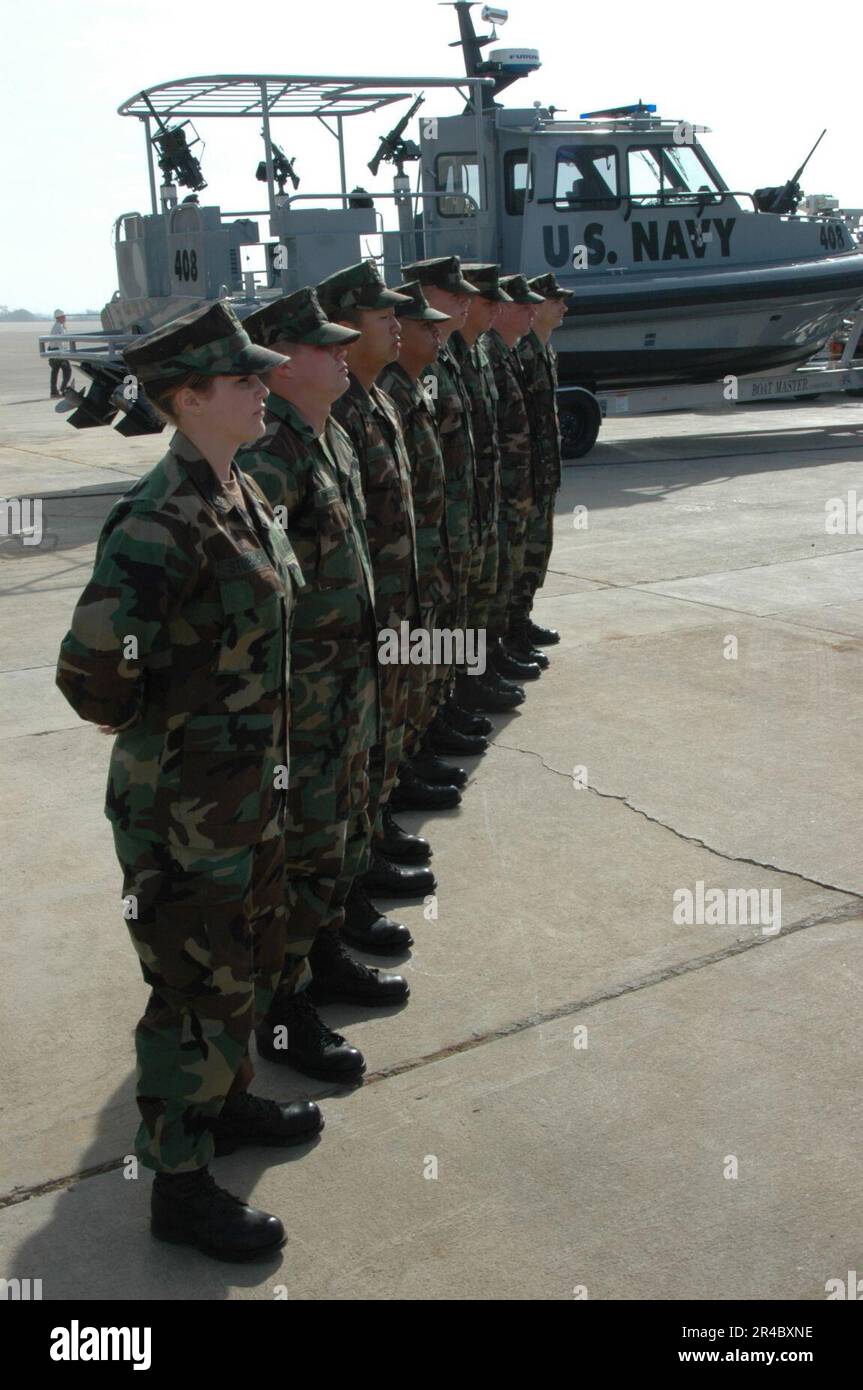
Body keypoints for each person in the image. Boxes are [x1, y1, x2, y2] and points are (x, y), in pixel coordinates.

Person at [55, 301, 320, 1263]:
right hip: (184, 808)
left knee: (242, 964)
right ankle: (177, 1181)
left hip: (250, 792)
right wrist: (173, 734)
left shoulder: (236, 490)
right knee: (189, 988)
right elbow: (90, 675)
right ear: (189, 397)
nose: (263, 387)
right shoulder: (158, 519)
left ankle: (229, 1100)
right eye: (245, 379)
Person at [239, 287, 409, 1087]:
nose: (341, 352)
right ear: (275, 367)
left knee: (337, 838)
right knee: (301, 856)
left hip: (346, 687)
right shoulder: (267, 458)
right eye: (320, 345)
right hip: (301, 705)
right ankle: (281, 1010)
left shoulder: (325, 435)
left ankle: (323, 951)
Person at [315, 260, 438, 906]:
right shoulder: (335, 415)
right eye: (382, 316)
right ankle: (354, 877)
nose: (398, 326)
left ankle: (371, 840)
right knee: (359, 753)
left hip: (392, 611)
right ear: (341, 326)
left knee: (382, 741)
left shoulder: (372, 401)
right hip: (361, 629)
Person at [400, 255, 522, 724]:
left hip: (467, 513)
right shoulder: (419, 366)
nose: (466, 303)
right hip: (439, 526)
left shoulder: (449, 354)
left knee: (468, 607)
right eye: (455, 295)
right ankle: (445, 705)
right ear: (423, 297)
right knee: (439, 626)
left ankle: (464, 686)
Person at [377, 283, 478, 784]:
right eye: (425, 326)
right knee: (412, 666)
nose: (436, 333)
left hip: (437, 546)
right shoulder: (392, 389)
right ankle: (410, 756)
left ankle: (431, 727)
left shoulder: (415, 383)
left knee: (438, 650)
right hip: (410, 565)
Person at [483, 273, 546, 687]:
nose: (532, 311)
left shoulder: (494, 355)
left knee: (499, 583)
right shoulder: (484, 355)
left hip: (503, 496)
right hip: (482, 504)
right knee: (478, 597)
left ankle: (491, 655)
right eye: (521, 305)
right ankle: (475, 672)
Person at [508, 271, 572, 656]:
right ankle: (512, 628)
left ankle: (522, 618)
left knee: (538, 549)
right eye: (555, 301)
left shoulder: (545, 350)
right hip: (524, 475)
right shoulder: (523, 352)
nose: (563, 307)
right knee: (521, 553)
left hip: (544, 473)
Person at [48, 309, 72, 397]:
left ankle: (54, 391)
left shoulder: (58, 326)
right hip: (57, 351)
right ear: (59, 318)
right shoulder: (58, 327)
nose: (65, 318)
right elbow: (59, 341)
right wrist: (63, 352)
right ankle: (63, 389)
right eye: (63, 316)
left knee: (55, 371)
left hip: (53, 350)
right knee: (67, 370)